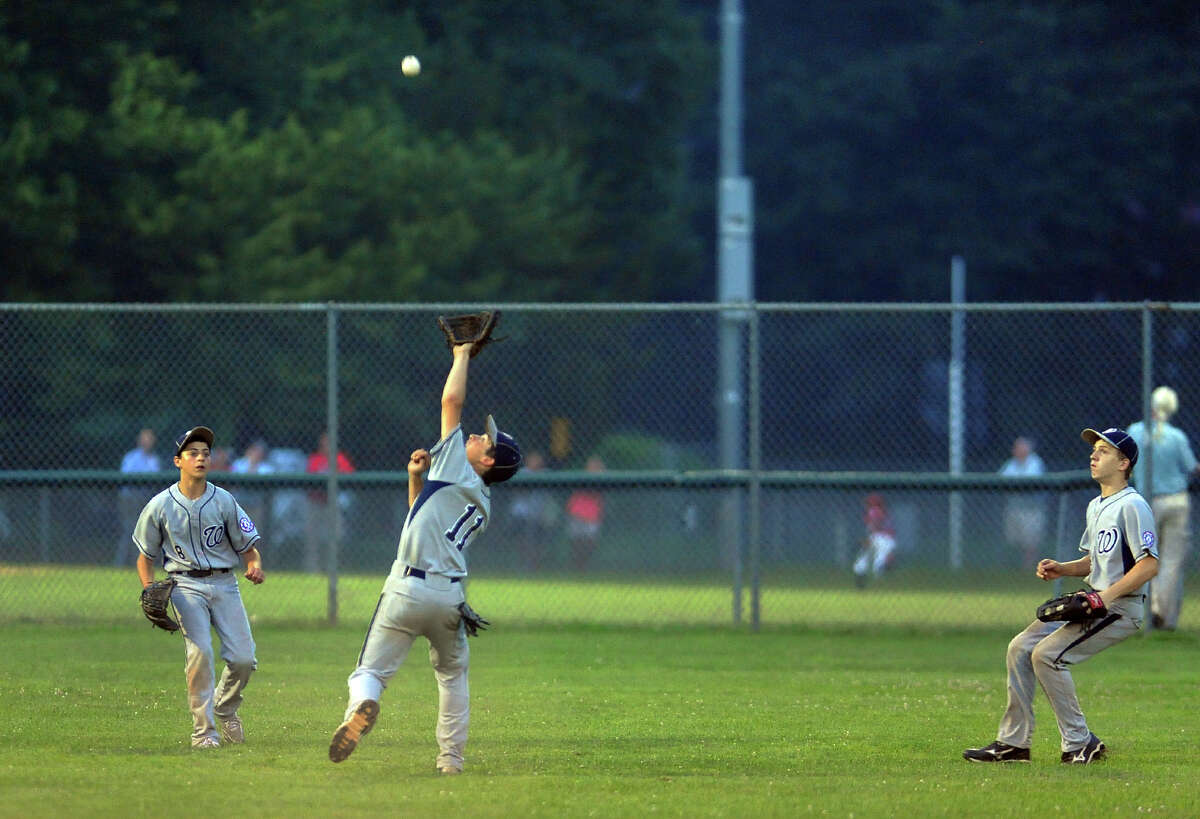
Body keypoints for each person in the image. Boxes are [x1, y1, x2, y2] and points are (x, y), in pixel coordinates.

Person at [328, 341, 522, 774]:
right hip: (449, 599)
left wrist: (462, 354)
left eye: (483, 439)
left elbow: (451, 400)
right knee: (452, 677)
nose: (473, 435)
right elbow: (423, 519)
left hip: (406, 589)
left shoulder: (458, 465)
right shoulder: (481, 499)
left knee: (370, 673)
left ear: (487, 460)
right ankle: (450, 761)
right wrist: (415, 479)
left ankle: (361, 707)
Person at [963, 427, 1158, 765]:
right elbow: (1094, 561)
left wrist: (1105, 597)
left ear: (1124, 462)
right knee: (1020, 647)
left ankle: (1080, 742)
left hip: (1120, 607)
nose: (1094, 455)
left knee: (1047, 655)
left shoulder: (1133, 505)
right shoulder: (1097, 505)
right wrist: (1062, 568)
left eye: (1104, 451)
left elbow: (1149, 565)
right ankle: (1014, 744)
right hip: (1096, 602)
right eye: (1093, 449)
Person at [132, 426, 266, 749]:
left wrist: (254, 565)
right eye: (193, 453)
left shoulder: (224, 501)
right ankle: (204, 732)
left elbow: (249, 549)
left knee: (244, 658)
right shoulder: (160, 504)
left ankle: (225, 707)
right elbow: (144, 557)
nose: (201, 458)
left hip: (225, 583)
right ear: (178, 460)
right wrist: (149, 588)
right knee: (201, 653)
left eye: (205, 453)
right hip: (184, 585)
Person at [1128, 386, 1200, 631]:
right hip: (1177, 501)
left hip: (1147, 502)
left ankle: (1144, 612)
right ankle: (1159, 610)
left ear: (1151, 406)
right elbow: (1192, 467)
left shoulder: (1135, 431)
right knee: (1171, 562)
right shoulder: (1177, 436)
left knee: (1145, 557)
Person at [305, 431, 356, 573]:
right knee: (313, 538)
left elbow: (350, 474)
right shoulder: (315, 459)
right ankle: (313, 568)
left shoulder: (339, 458)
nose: (327, 445)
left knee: (336, 535)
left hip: (332, 504)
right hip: (315, 503)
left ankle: (332, 567)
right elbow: (308, 477)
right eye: (325, 442)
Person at [998, 436, 1048, 570]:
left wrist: (1014, 485)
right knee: (1013, 540)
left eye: (1022, 447)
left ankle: (1028, 568)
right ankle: (1014, 567)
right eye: (1017, 447)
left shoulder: (1035, 462)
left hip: (1032, 509)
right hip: (1014, 507)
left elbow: (1029, 482)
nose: (1018, 450)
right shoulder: (1011, 463)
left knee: (1030, 542)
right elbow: (1002, 479)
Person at [115, 428, 161, 566]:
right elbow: (126, 476)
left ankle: (144, 562)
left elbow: (156, 479)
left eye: (149, 439)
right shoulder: (131, 457)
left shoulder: (154, 460)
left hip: (146, 498)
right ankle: (121, 563)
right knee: (130, 529)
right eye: (144, 438)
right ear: (139, 440)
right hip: (130, 497)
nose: (147, 441)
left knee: (148, 531)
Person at [509, 450, 556, 570]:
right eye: (533, 459)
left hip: (539, 515)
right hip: (522, 514)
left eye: (538, 459)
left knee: (539, 543)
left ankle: (535, 565)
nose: (535, 462)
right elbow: (517, 492)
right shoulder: (522, 473)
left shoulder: (546, 473)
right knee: (521, 540)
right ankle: (523, 563)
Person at [567, 455, 606, 571]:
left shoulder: (603, 478)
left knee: (590, 541)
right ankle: (576, 566)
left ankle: (584, 565)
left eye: (596, 465)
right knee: (576, 540)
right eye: (591, 464)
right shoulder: (581, 476)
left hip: (592, 515)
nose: (593, 467)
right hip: (577, 512)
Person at [853, 493, 897, 587]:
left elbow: (875, 527)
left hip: (880, 538)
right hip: (888, 540)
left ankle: (862, 582)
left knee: (863, 562)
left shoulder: (873, 511)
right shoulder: (884, 512)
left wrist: (867, 541)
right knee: (878, 564)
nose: (866, 504)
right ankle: (885, 565)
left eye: (869, 502)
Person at [232, 439, 275, 531]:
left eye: (259, 451)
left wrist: (254, 466)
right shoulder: (239, 463)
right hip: (239, 503)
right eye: (254, 450)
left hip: (257, 503)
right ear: (248, 451)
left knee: (255, 530)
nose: (256, 453)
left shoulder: (266, 467)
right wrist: (251, 465)